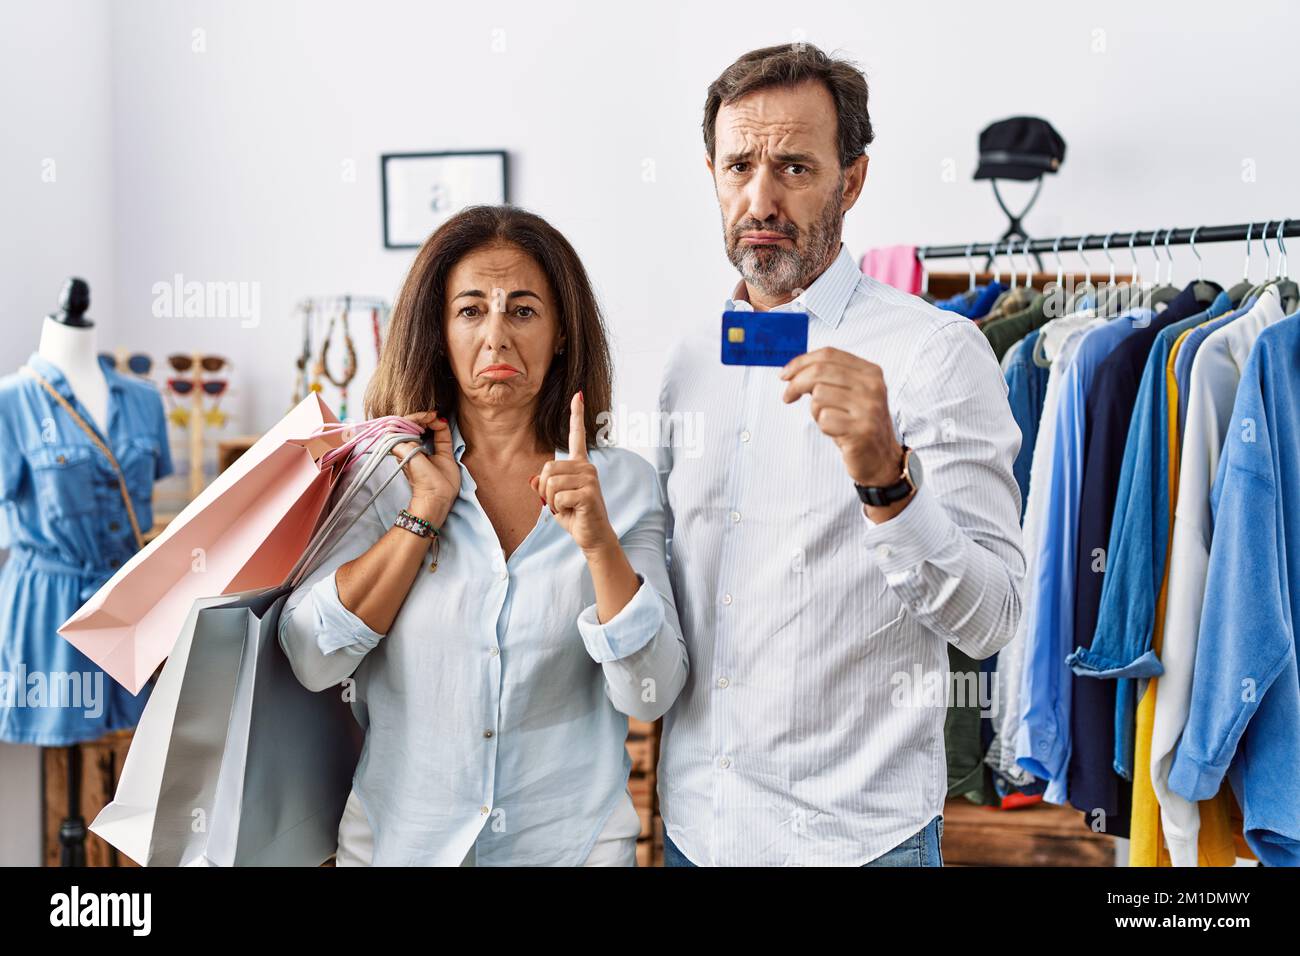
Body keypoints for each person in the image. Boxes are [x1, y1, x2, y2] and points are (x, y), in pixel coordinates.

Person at [654, 43, 1026, 866]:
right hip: (694, 832)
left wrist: (889, 481)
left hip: (859, 845)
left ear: (850, 181)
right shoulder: (681, 364)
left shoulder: (939, 353)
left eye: (793, 167)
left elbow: (994, 617)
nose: (760, 197)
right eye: (739, 165)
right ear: (710, 171)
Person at [280, 205, 687, 866]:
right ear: (439, 331)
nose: (496, 337)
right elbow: (311, 658)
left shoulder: (623, 485)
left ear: (561, 333)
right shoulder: (382, 476)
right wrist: (423, 515)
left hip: (571, 848)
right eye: (471, 310)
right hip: (399, 844)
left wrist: (598, 544)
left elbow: (649, 693)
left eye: (522, 311)